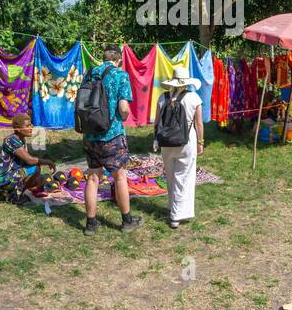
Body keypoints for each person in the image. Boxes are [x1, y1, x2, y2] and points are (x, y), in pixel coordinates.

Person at [81, 45, 140, 236]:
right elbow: (123, 108)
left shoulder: (90, 73)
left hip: (90, 134)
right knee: (120, 177)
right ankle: (127, 221)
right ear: (119, 59)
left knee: (92, 177)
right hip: (111, 135)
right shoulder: (120, 75)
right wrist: (124, 118)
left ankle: (90, 224)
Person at [153, 67, 204, 228]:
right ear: (186, 82)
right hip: (186, 142)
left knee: (171, 176)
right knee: (184, 177)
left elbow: (156, 123)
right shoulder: (194, 98)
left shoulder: (162, 98)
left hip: (166, 143)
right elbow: (199, 123)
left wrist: (156, 139)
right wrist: (200, 142)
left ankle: (171, 205)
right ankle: (177, 215)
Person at [0, 113, 55, 204]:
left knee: (39, 177)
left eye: (31, 125)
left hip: (10, 175)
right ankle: (14, 197)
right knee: (35, 167)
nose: (31, 128)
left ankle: (10, 193)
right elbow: (30, 160)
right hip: (1, 180)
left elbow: (26, 162)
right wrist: (49, 162)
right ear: (17, 129)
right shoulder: (11, 141)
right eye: (28, 126)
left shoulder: (21, 140)